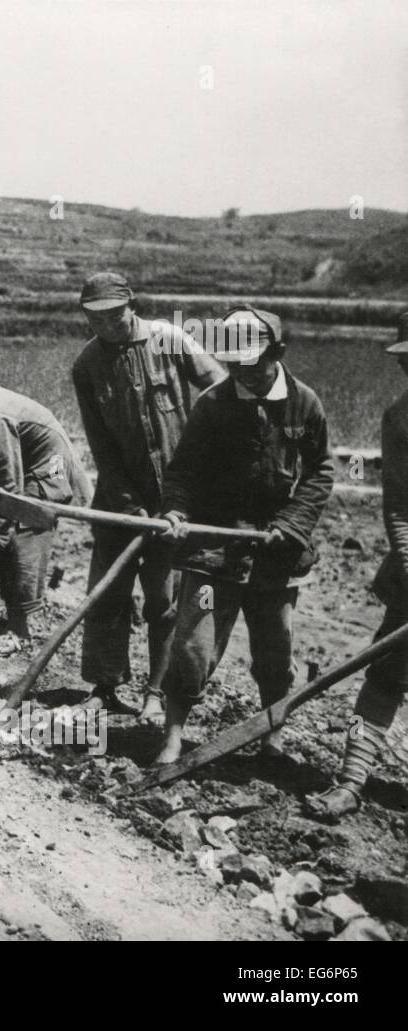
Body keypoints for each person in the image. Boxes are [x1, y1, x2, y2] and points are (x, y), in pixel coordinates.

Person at [155, 306, 333, 765]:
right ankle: (172, 737)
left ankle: (271, 735)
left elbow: (321, 473)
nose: (244, 373)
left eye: (253, 362)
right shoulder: (213, 405)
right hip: (216, 552)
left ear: (278, 353)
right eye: (235, 363)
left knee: (275, 651)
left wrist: (291, 525)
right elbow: (182, 473)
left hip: (278, 555)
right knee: (193, 647)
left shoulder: (305, 403)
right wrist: (175, 510)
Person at [71, 271, 223, 719]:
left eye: (115, 316)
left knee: (165, 600)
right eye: (96, 319)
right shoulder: (87, 366)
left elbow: (218, 388)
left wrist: (203, 460)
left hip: (176, 498)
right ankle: (103, 686)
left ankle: (156, 693)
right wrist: (125, 501)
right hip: (118, 498)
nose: (108, 326)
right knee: (108, 591)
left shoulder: (169, 339)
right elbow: (101, 444)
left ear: (131, 305)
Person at [307, 312, 408, 819]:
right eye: (406, 361)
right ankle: (350, 781)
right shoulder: (400, 417)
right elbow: (398, 505)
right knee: (386, 677)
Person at [0, 370, 91, 645]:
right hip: (27, 460)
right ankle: (13, 619)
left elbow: (11, 482)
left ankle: (20, 630)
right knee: (3, 533)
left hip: (49, 462)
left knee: (23, 530)